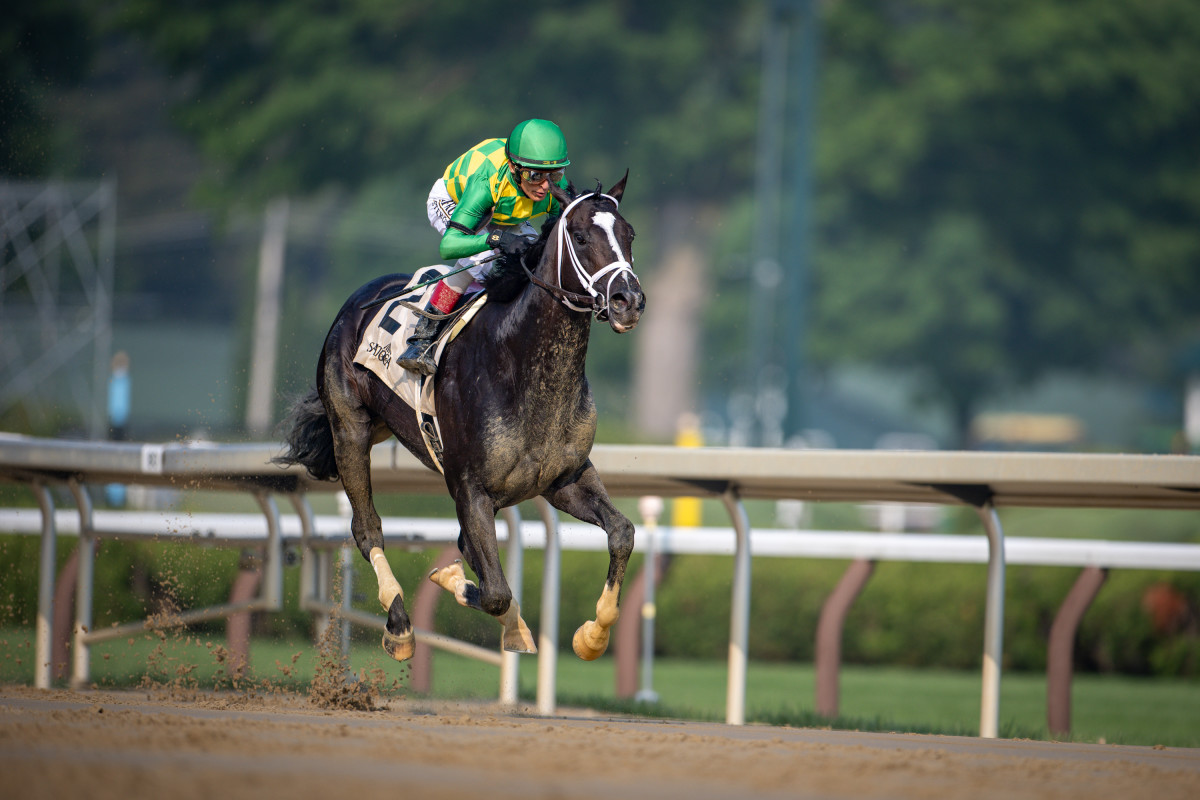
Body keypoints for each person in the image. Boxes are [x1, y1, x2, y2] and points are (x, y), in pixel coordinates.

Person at [397, 118, 572, 375]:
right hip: (456, 202)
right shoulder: (487, 182)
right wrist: (495, 240)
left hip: (503, 211)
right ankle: (422, 340)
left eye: (554, 175)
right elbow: (449, 246)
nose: (546, 186)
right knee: (477, 261)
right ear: (514, 168)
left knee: (532, 258)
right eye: (535, 176)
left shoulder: (554, 188)